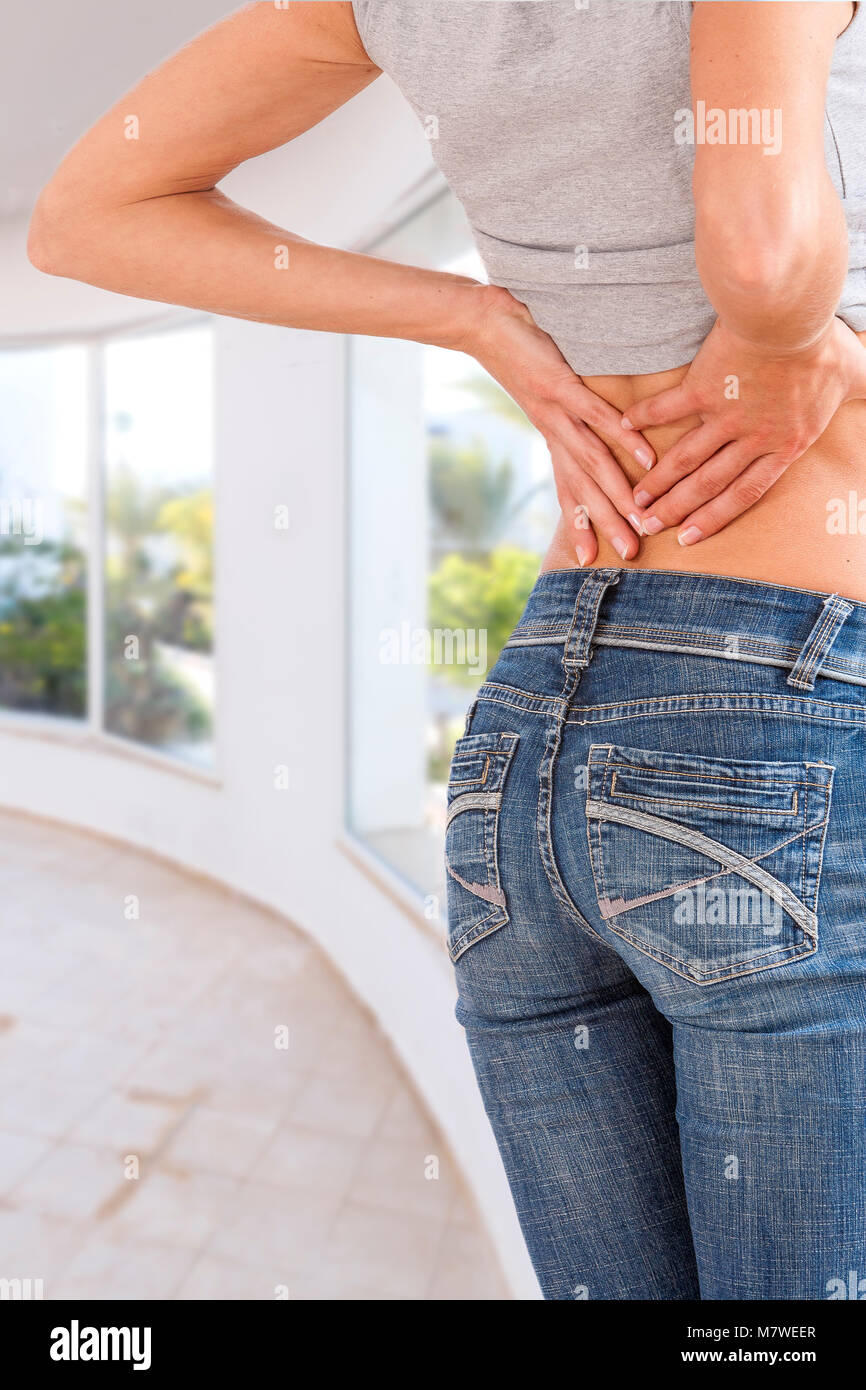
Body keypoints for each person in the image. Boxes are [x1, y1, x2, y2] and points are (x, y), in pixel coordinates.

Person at [28, 1, 866, 1299]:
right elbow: (760, 257)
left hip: (520, 757)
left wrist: (476, 319)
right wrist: (790, 340)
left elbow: (83, 215)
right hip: (772, 716)